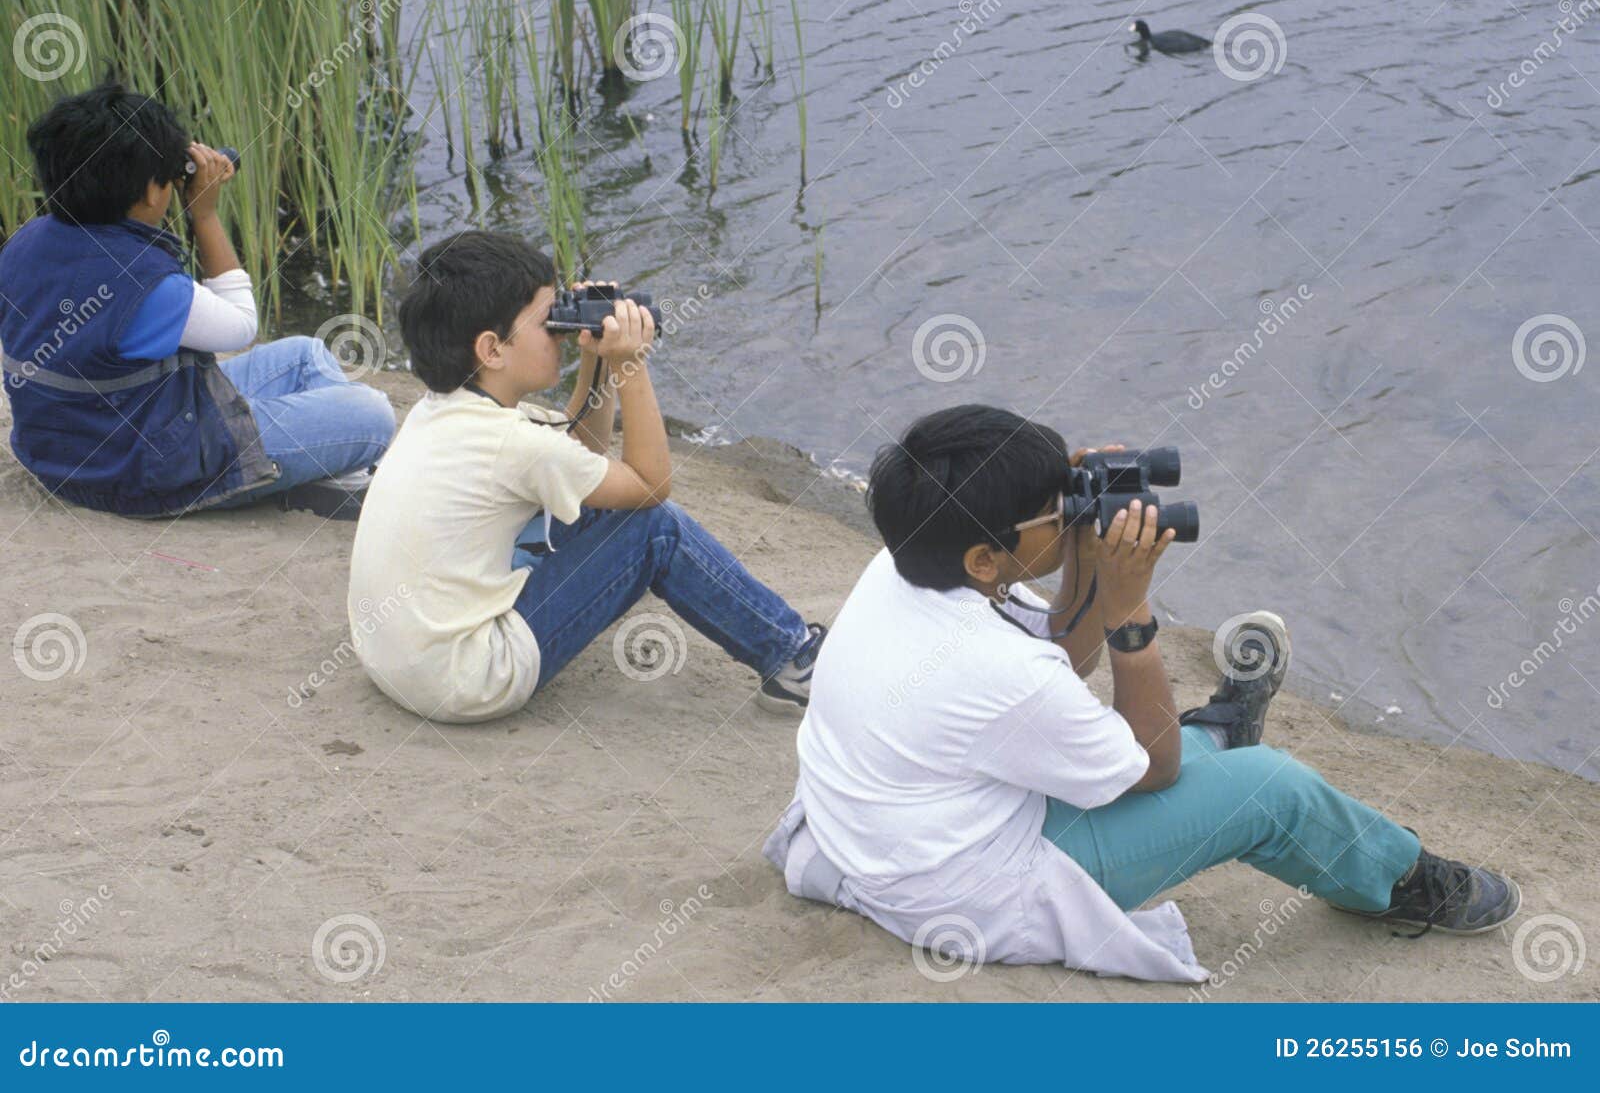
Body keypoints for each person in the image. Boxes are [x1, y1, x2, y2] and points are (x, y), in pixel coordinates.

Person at [765, 405, 1520, 982]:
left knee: (1165, 754)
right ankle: (1399, 881)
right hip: (967, 889)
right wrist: (1130, 607)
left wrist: (1083, 550)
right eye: (1056, 511)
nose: (1070, 512)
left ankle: (1215, 739)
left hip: (892, 831)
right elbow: (1150, 768)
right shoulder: (994, 669)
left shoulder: (901, 566)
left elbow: (1062, 652)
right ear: (985, 558)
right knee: (1272, 790)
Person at [345, 230, 825, 723]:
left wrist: (596, 359)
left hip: (397, 659)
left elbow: (579, 456)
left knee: (593, 501)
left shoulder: (442, 411)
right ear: (492, 349)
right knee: (655, 528)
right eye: (547, 322)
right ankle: (791, 658)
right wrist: (631, 365)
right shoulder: (513, 444)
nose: (560, 333)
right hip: (471, 679)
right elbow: (650, 487)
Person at [0, 81, 394, 520]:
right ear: (151, 193)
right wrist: (203, 214)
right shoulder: (148, 286)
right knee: (373, 415)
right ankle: (323, 472)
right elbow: (241, 325)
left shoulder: (24, 243)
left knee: (306, 356)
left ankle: (326, 469)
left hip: (65, 449)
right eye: (168, 178)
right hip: (136, 472)